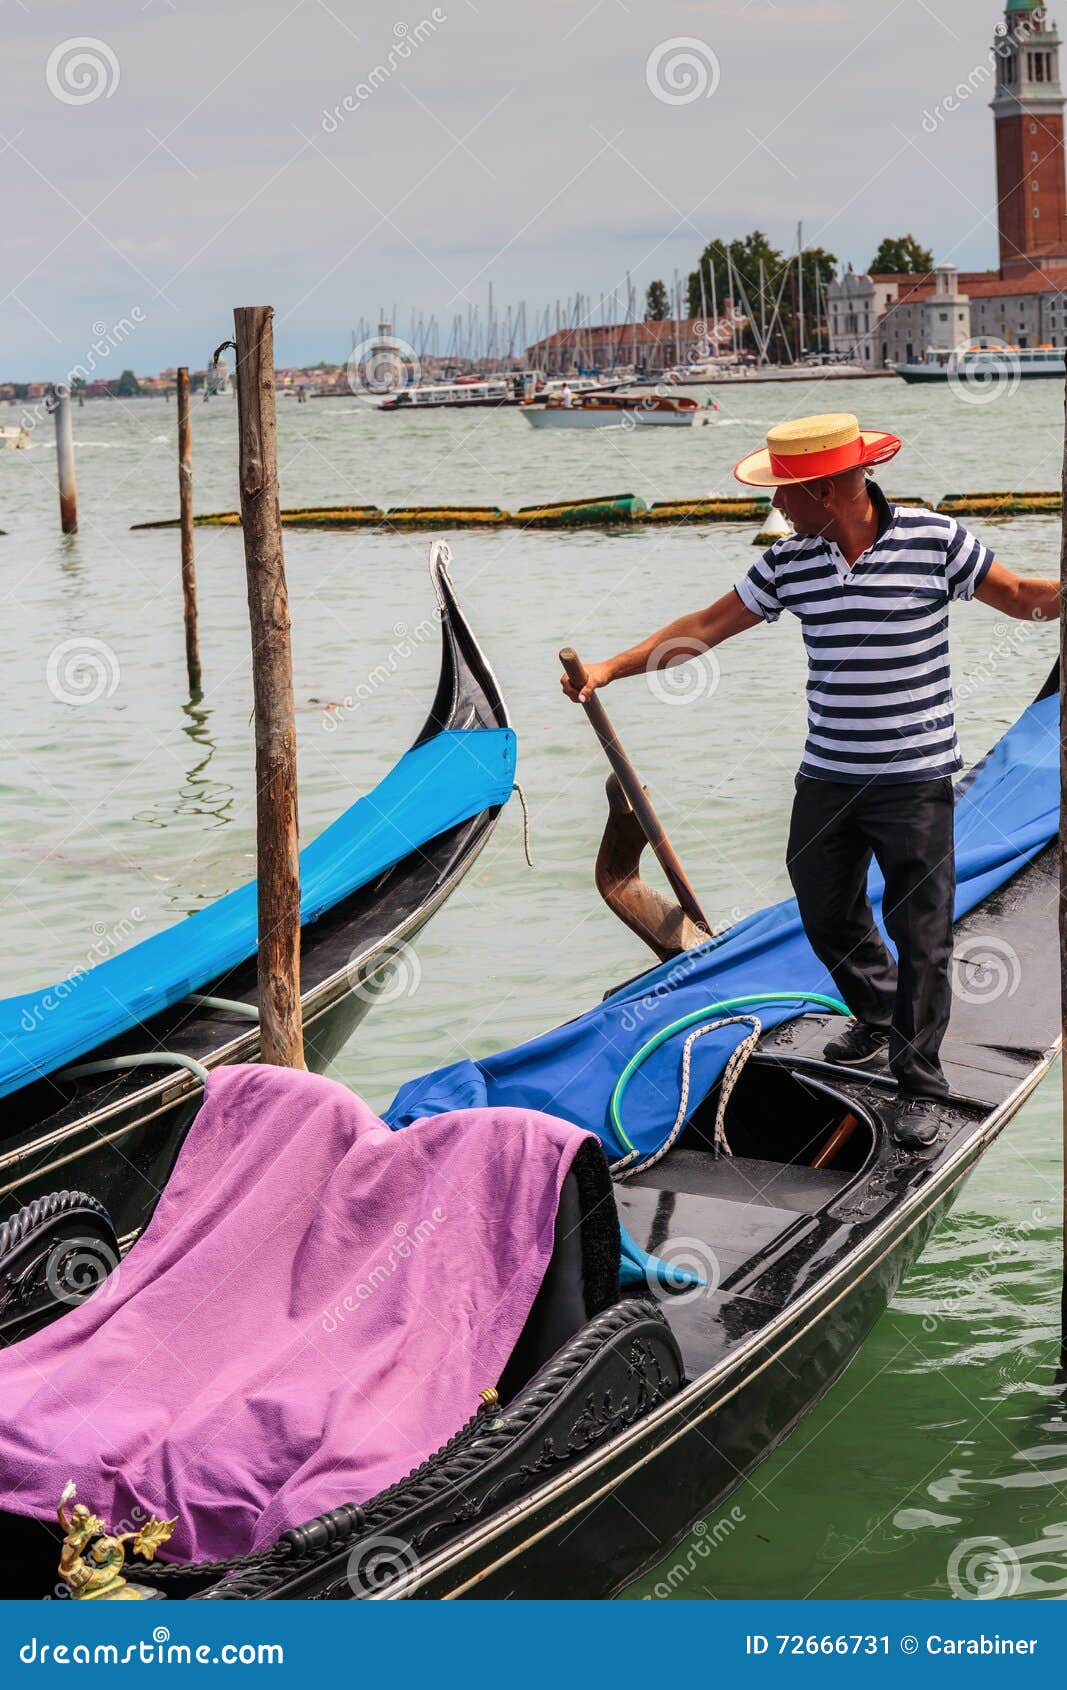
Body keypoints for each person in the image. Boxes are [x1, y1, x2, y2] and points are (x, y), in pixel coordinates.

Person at [560, 412, 1058, 1148]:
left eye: (785, 494)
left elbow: (1019, 598)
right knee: (825, 911)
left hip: (914, 780)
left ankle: (919, 1080)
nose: (777, 508)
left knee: (920, 937)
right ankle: (879, 1013)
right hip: (827, 775)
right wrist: (609, 669)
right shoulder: (789, 562)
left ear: (826, 489)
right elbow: (704, 626)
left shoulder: (933, 539)